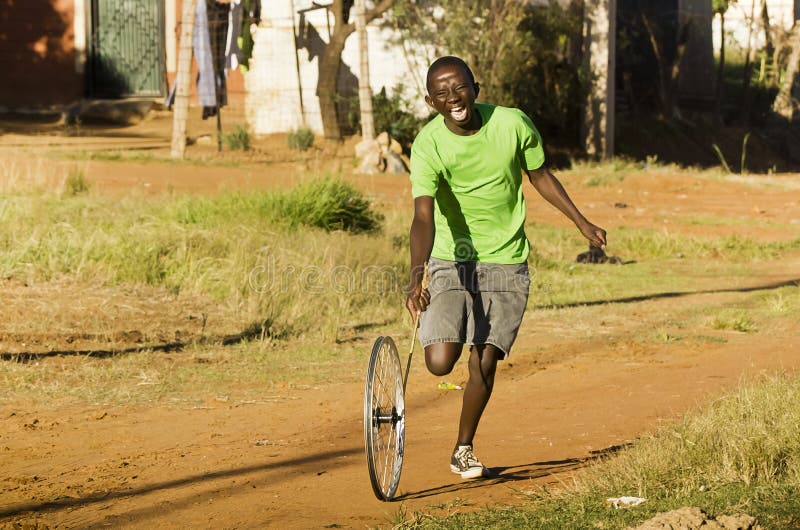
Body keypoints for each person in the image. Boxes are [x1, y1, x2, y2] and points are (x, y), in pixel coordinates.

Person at [405, 56, 607, 479]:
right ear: (430, 101)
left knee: (484, 359)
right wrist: (415, 278)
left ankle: (463, 448)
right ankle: (452, 335)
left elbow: (541, 175)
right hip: (450, 257)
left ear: (475, 88)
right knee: (440, 361)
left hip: (506, 259)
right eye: (441, 93)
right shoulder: (427, 144)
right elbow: (423, 216)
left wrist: (581, 222)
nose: (453, 98)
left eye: (459, 87)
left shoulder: (513, 123)